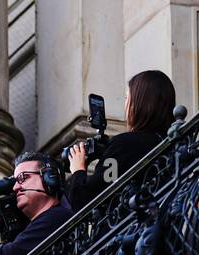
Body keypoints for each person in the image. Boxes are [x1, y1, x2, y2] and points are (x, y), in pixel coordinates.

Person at [65, 70, 176, 211]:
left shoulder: (125, 145)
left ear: (138, 104)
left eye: (126, 98)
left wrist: (78, 169)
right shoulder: (170, 143)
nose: (125, 106)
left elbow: (85, 200)